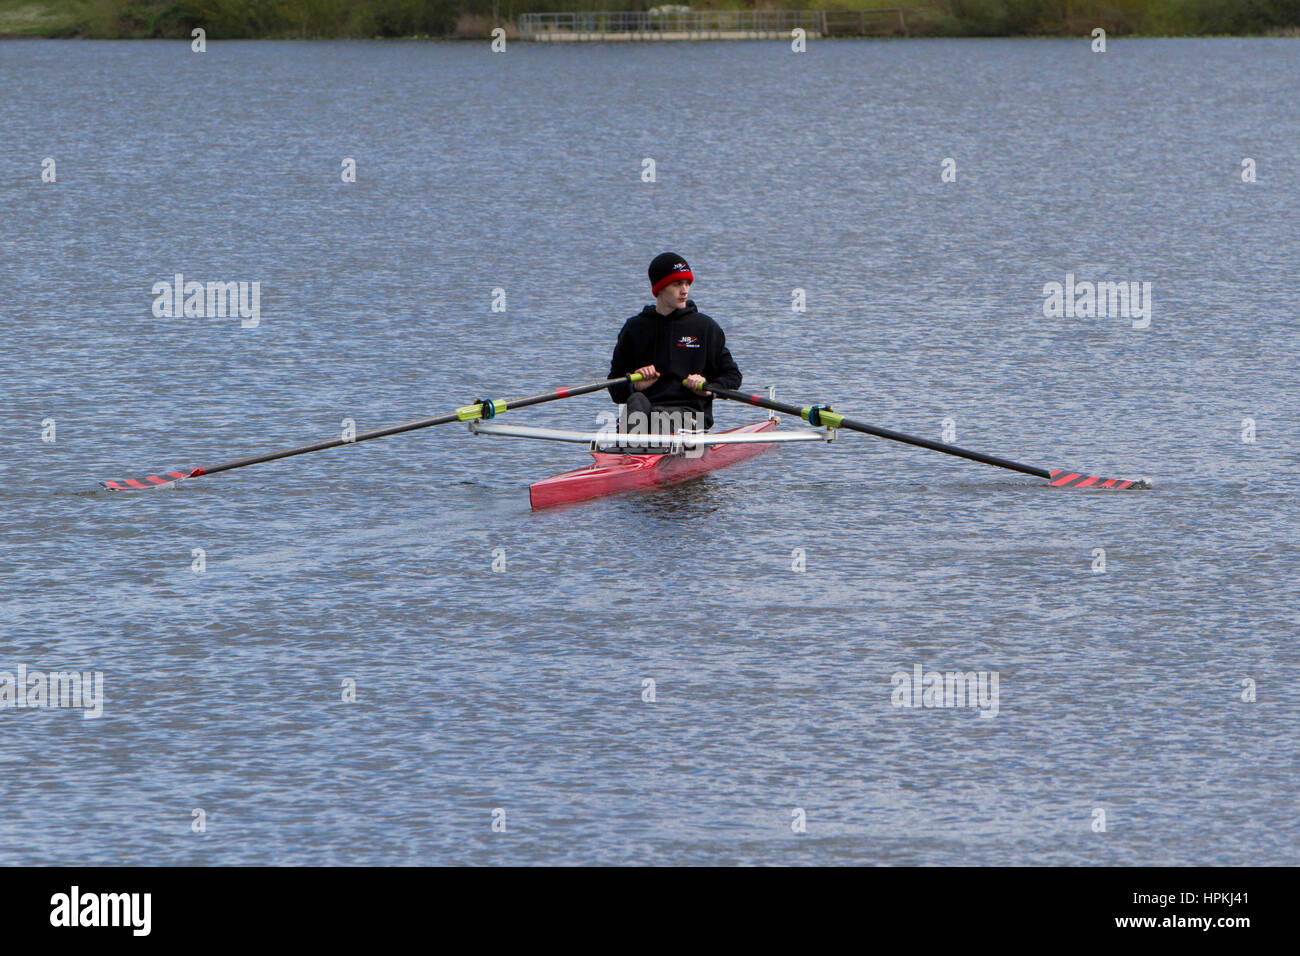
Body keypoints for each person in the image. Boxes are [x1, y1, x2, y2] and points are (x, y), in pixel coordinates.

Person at [607, 253, 742, 443]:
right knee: (635, 400)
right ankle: (632, 456)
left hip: (689, 415)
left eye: (687, 283)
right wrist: (634, 385)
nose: (685, 290)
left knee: (651, 423)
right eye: (677, 284)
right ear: (660, 288)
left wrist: (708, 388)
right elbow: (614, 387)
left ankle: (633, 450)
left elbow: (733, 376)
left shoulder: (705, 328)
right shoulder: (634, 328)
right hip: (645, 413)